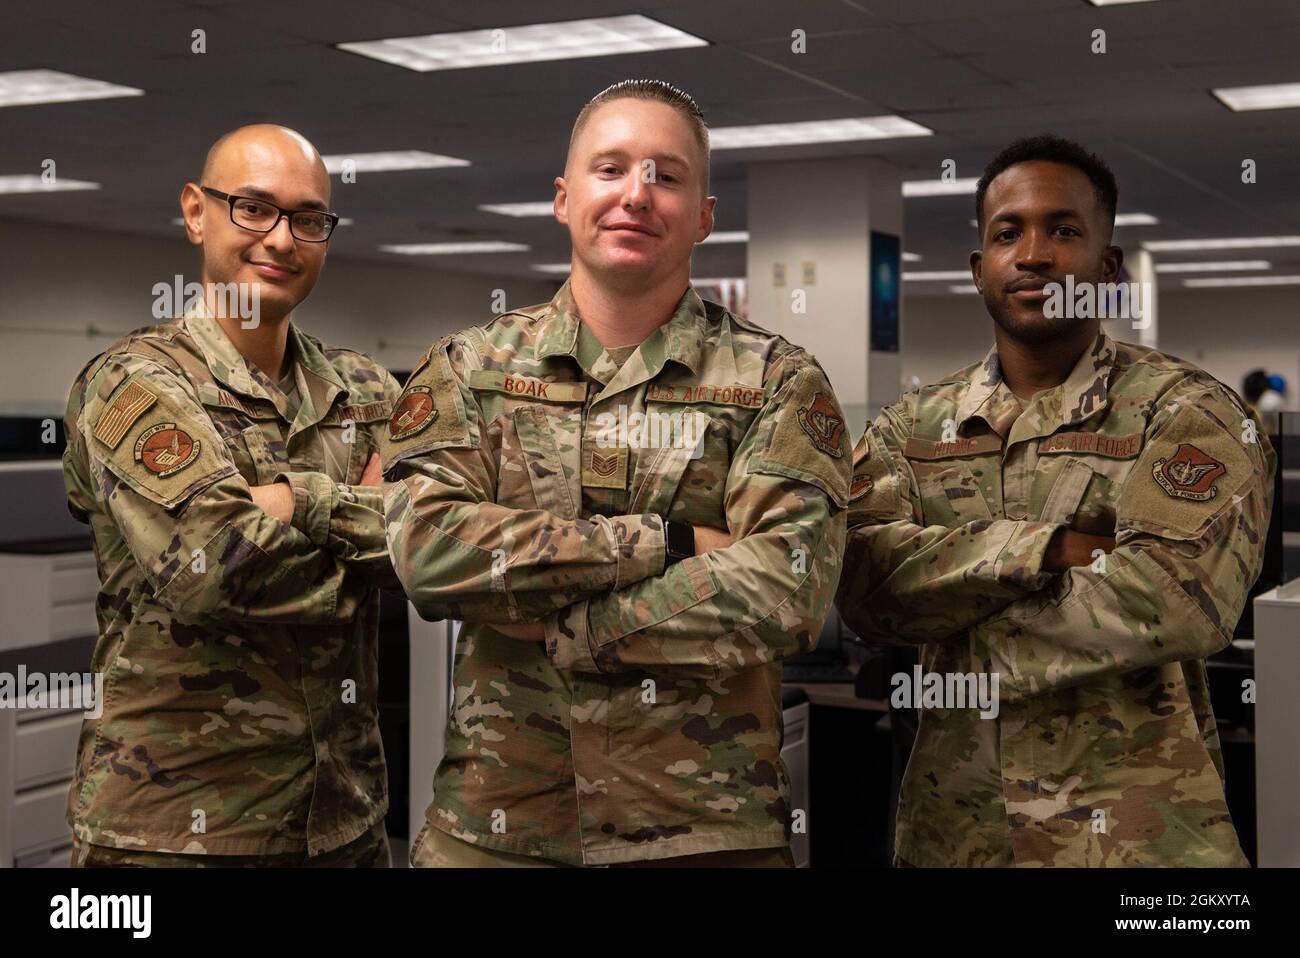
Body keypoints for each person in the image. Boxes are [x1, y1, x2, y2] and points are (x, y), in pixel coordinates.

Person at [382, 79, 851, 867]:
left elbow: (790, 589)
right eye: (611, 169)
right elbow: (428, 552)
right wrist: (667, 543)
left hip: (704, 832)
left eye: (666, 176)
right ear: (564, 199)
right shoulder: (468, 368)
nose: (636, 194)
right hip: (499, 828)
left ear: (704, 215)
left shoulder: (777, 382)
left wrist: (570, 627)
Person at [836, 135, 1275, 867]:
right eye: (1008, 233)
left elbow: (1171, 602)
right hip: (954, 839)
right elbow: (862, 590)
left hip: (1142, 846)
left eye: (1063, 230)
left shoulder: (1189, 414)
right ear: (980, 270)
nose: (1034, 254)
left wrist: (950, 596)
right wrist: (1047, 549)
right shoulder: (912, 428)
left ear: (1108, 268)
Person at [62, 124, 402, 866]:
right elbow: (214, 568)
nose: (281, 239)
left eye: (308, 218)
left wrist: (297, 502)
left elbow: (440, 547)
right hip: (171, 833)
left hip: (345, 822)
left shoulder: (369, 392)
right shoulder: (135, 384)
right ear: (196, 212)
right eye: (253, 208)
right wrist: (368, 522)